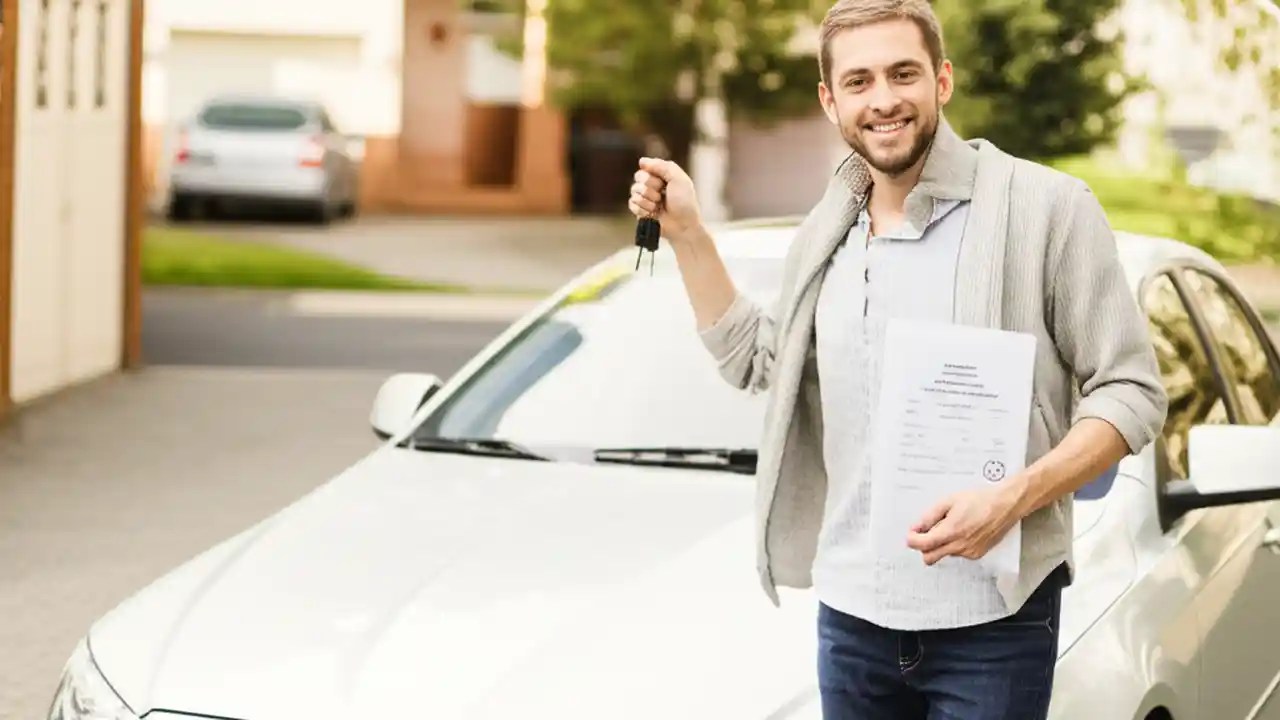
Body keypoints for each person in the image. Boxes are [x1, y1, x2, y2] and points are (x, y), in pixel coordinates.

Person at [627, 1, 1169, 718]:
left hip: (994, 626)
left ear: (941, 80)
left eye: (903, 73)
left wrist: (1014, 497)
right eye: (858, 82)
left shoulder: (1048, 210)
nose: (883, 99)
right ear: (830, 101)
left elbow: (1131, 391)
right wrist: (689, 234)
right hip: (851, 622)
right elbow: (757, 362)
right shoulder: (827, 229)